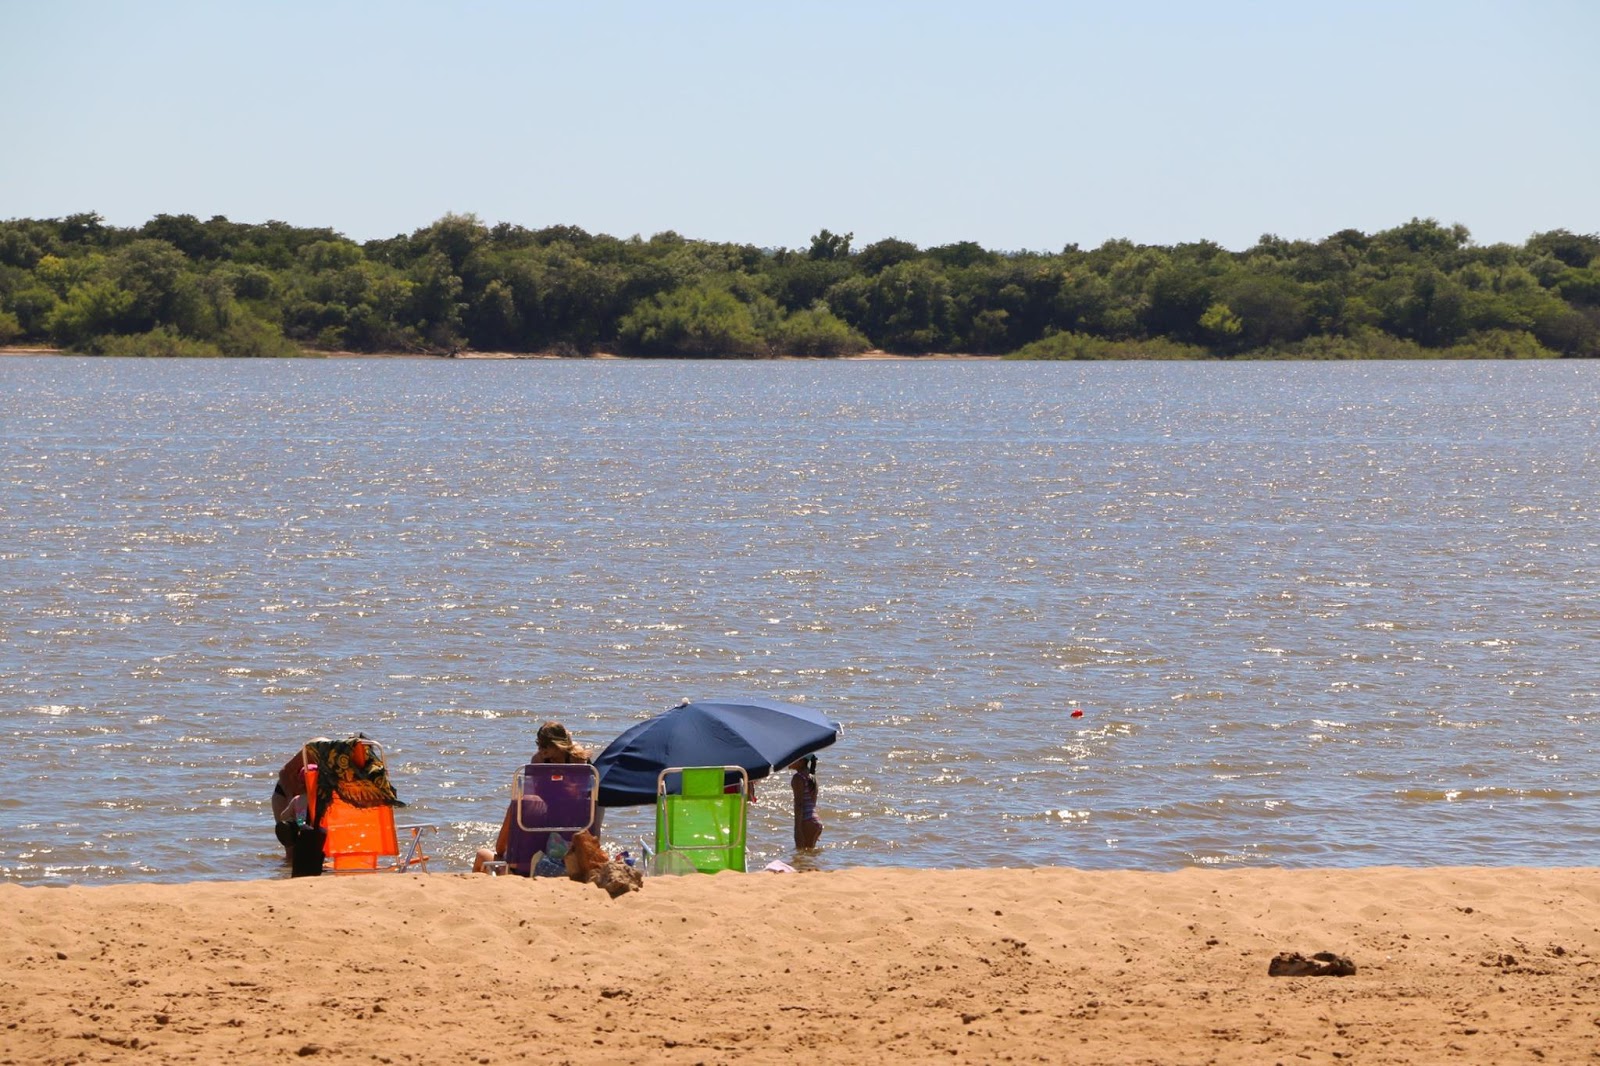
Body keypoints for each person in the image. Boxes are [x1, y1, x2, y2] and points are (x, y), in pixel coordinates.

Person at [474, 722, 601, 873]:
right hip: (567, 846)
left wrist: (502, 852)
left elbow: (499, 849)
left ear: (558, 744)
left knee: (483, 854)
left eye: (545, 746)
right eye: (539, 745)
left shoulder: (527, 805)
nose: (541, 749)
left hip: (525, 866)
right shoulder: (578, 810)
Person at [271, 738, 330, 861]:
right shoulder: (316, 748)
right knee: (292, 849)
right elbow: (284, 772)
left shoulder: (345, 763)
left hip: (309, 800)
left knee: (314, 845)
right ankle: (286, 870)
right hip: (285, 793)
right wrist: (291, 800)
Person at [790, 755, 823, 849]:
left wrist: (797, 829)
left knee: (801, 853)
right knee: (809, 854)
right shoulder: (812, 776)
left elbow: (799, 804)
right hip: (815, 821)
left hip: (806, 821)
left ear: (801, 761)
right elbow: (813, 801)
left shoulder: (798, 778)